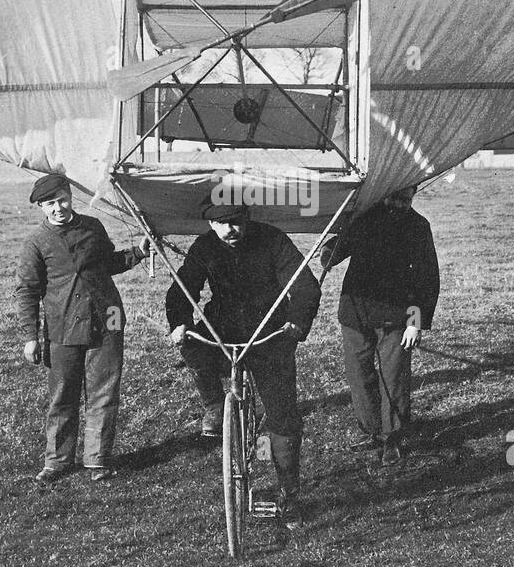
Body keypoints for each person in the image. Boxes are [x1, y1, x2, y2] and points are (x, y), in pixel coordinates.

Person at [165, 203, 320, 529]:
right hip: (224, 329)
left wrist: (296, 322)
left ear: (247, 219)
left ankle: (289, 494)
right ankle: (212, 405)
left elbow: (304, 284)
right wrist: (179, 322)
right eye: (221, 223)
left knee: (282, 415)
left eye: (235, 222)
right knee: (193, 344)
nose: (229, 230)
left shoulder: (273, 240)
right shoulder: (205, 245)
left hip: (268, 332)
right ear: (210, 222)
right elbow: (183, 287)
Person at [15, 172, 149, 484]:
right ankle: (57, 461)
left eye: (62, 199)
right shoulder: (36, 242)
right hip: (62, 328)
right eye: (50, 203)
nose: (58, 207)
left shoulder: (93, 228)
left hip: (108, 320)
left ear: (70, 196)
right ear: (41, 207)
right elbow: (27, 291)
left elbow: (108, 264)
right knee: (63, 396)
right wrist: (30, 337)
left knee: (103, 392)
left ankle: (97, 459)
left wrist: (138, 252)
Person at [320, 184, 439, 466]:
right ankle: (370, 429)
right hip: (356, 313)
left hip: (398, 317)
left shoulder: (418, 227)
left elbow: (427, 278)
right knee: (358, 375)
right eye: (395, 198)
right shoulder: (361, 220)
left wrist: (415, 322)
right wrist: (333, 236)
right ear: (384, 193)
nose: (399, 205)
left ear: (413, 197)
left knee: (394, 378)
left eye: (406, 200)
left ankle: (393, 438)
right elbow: (330, 258)